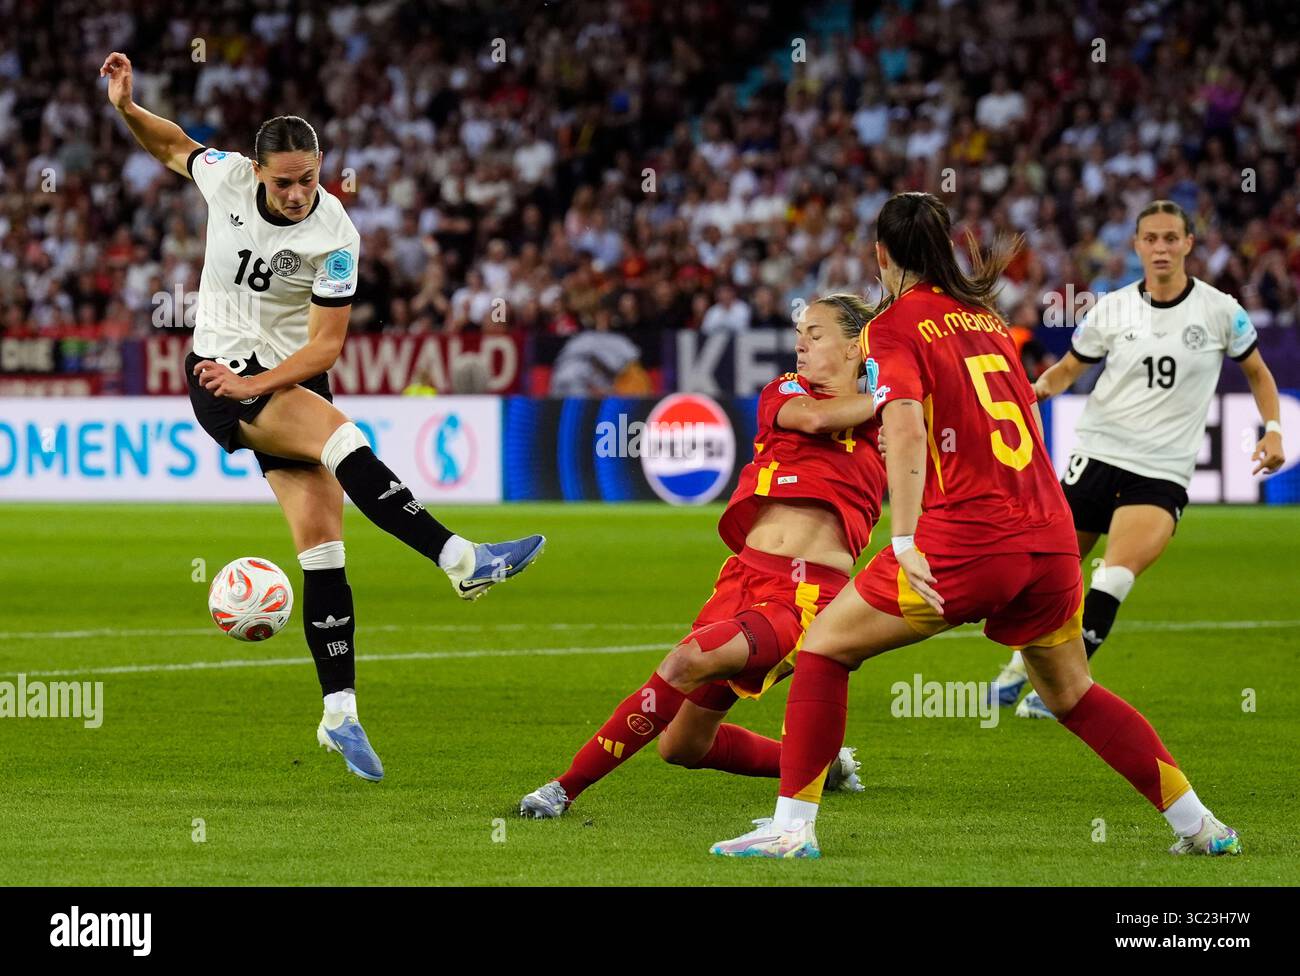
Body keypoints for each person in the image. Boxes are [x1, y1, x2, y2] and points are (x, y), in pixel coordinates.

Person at [711, 192, 1241, 859]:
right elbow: (1023, 415)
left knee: (822, 649)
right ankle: (1201, 826)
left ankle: (791, 830)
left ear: (880, 255)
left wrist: (903, 538)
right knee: (1074, 693)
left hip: (969, 537)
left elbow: (901, 425)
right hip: (1048, 535)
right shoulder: (986, 320)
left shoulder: (893, 326)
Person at [100, 52, 545, 783]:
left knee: (323, 553)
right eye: (286, 180)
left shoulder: (335, 233)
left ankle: (338, 713)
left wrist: (263, 386)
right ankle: (461, 560)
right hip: (222, 374)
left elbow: (325, 347)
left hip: (282, 375)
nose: (301, 191)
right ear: (259, 172)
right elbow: (175, 145)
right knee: (345, 439)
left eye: (311, 177)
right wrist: (125, 105)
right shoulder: (230, 179)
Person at [520, 295, 885, 817]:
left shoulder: (896, 428)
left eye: (817, 334)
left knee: (686, 661)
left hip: (806, 595)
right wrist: (894, 398)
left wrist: (901, 408)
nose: (800, 343)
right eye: (800, 332)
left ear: (856, 348)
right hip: (741, 578)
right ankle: (823, 767)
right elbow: (814, 419)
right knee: (683, 746)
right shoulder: (787, 393)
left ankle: (561, 790)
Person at [990, 199, 1285, 718]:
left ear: (1189, 244)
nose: (1162, 248)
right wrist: (1032, 392)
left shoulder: (1221, 311)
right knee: (1052, 572)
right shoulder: (1112, 308)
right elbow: (1066, 370)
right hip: (1097, 454)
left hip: (1162, 470)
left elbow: (1258, 373)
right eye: (1151, 238)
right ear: (1137, 246)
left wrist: (1275, 429)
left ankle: (1059, 690)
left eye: (1172, 238)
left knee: (1115, 574)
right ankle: (1020, 666)